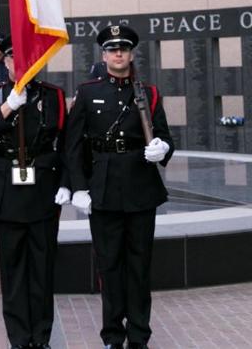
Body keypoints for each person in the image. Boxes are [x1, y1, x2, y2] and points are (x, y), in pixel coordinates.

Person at [65, 25, 174, 349]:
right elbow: (72, 146)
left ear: (131, 53)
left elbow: (165, 135)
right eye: (112, 49)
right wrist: (78, 187)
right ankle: (113, 335)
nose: (118, 54)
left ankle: (139, 334)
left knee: (139, 266)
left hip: (141, 187)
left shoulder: (148, 93)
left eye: (123, 49)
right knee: (110, 266)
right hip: (104, 189)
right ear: (104, 55)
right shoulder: (87, 92)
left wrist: (163, 148)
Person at [0, 36, 69, 349]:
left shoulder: (53, 95)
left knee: (42, 270)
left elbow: (65, 144)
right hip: (7, 192)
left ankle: (41, 338)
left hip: (42, 191)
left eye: (25, 57)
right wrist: (8, 106)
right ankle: (18, 339)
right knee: (13, 273)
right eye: (13, 58)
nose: (18, 63)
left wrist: (67, 183)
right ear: (6, 61)